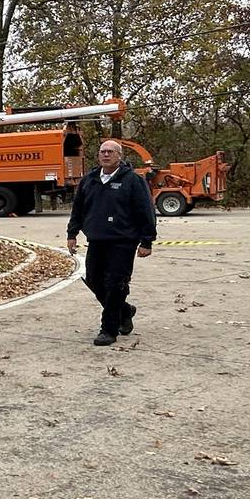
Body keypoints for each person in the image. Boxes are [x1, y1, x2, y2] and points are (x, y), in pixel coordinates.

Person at [66, 139, 157, 346]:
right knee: (94, 280)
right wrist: (72, 233)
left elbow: (146, 212)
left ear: (119, 156)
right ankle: (125, 310)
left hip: (123, 241)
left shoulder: (133, 180)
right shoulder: (89, 180)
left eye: (110, 152)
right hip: (97, 240)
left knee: (116, 284)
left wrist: (147, 241)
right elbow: (78, 209)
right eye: (102, 152)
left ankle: (108, 329)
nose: (106, 155)